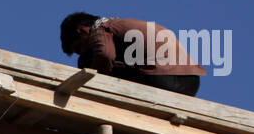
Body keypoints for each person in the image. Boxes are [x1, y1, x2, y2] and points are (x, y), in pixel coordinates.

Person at [59, 12, 204, 96]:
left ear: (82, 31)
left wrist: (90, 84)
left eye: (79, 48)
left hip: (164, 80)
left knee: (87, 62)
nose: (82, 52)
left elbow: (105, 55)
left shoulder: (100, 28)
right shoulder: (119, 26)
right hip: (190, 84)